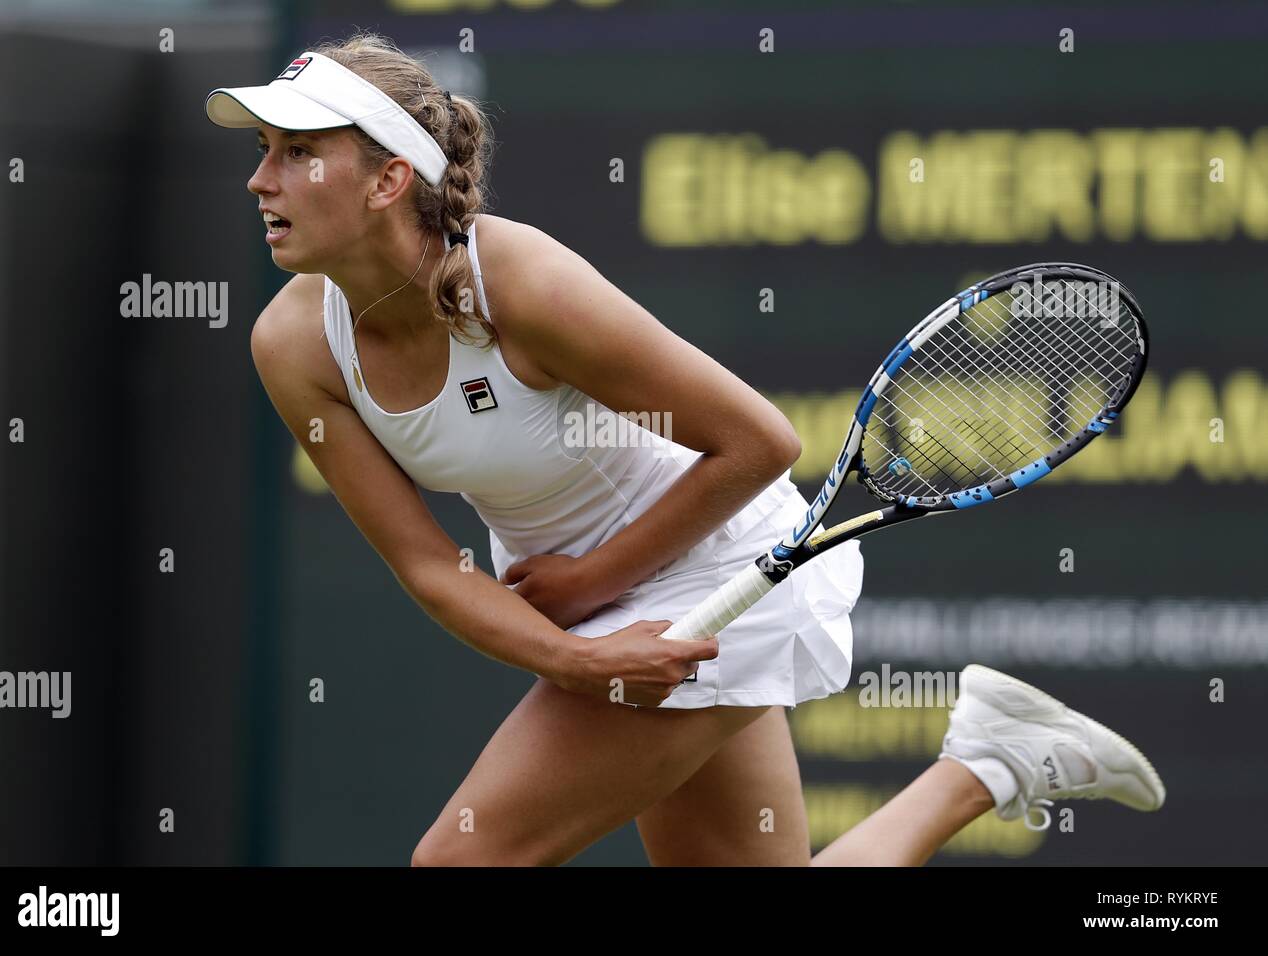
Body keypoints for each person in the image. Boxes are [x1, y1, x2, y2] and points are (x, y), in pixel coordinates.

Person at [207, 31, 1164, 866]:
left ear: (388, 180)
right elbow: (427, 566)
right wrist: (571, 644)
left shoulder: (525, 283)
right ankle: (990, 763)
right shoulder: (292, 345)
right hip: (589, 593)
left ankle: (988, 763)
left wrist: (586, 595)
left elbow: (757, 441)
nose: (261, 179)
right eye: (263, 151)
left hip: (722, 563)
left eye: (298, 153)